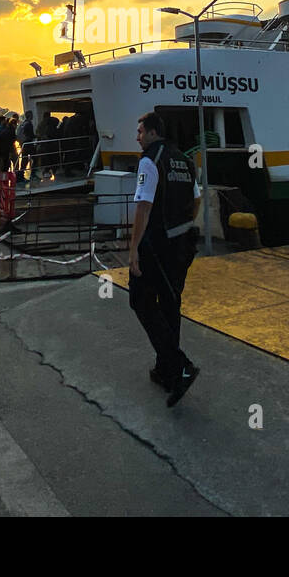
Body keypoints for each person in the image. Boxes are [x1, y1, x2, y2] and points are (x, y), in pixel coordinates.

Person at [127, 112, 202, 407]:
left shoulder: (150, 160)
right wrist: (182, 224)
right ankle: (166, 370)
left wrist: (133, 250)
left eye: (140, 131)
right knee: (170, 304)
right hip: (182, 244)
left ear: (154, 132)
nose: (137, 137)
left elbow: (143, 208)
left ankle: (179, 364)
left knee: (141, 301)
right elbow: (196, 200)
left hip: (155, 246)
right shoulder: (184, 160)